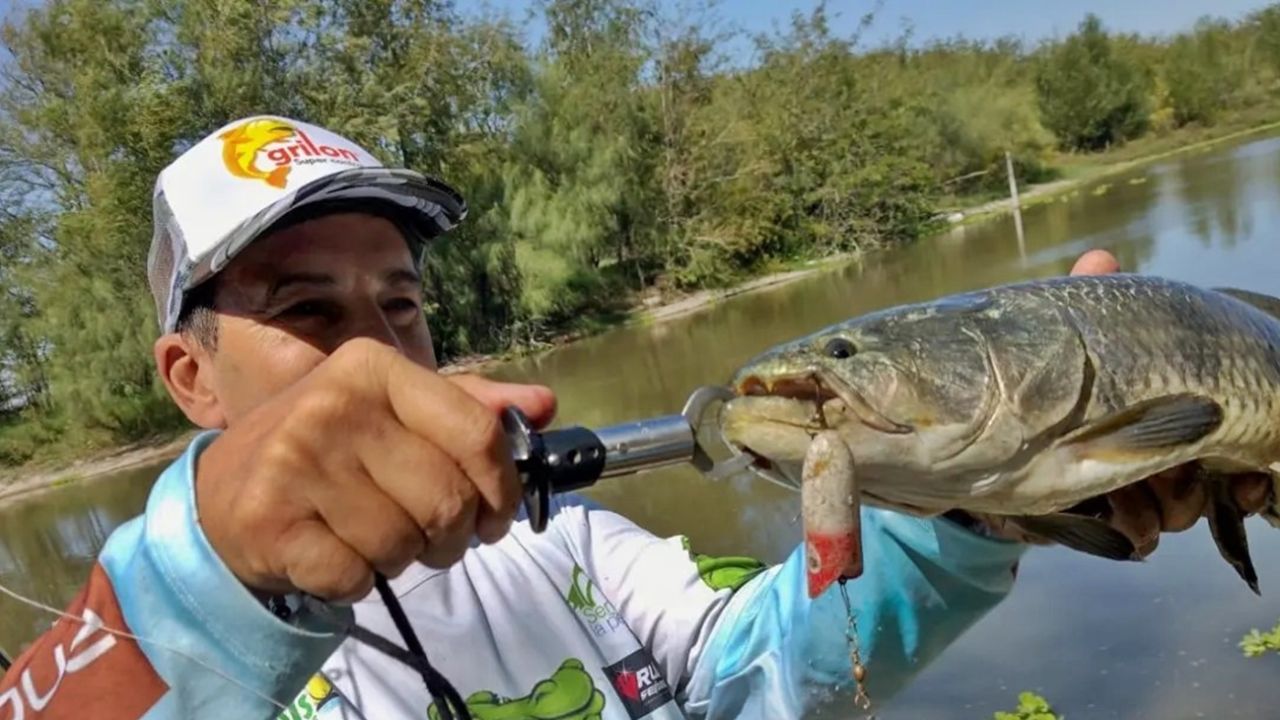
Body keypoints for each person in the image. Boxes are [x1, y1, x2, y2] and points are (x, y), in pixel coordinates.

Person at [0, 116, 1266, 720]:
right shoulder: (145, 644)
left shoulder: (561, 549)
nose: (374, 353)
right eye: (306, 310)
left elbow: (768, 674)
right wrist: (210, 582)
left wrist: (976, 504)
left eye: (399, 302)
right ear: (191, 379)